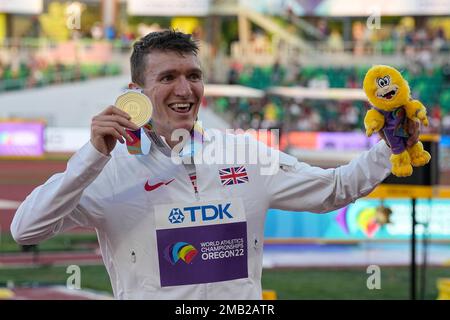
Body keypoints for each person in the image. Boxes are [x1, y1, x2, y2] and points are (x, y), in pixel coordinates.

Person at [12, 30, 403, 300]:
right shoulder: (108, 169)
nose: (185, 90)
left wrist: (389, 146)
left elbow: (334, 189)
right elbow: (26, 228)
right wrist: (93, 155)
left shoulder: (245, 153)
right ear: (136, 93)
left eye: (193, 76)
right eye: (168, 77)